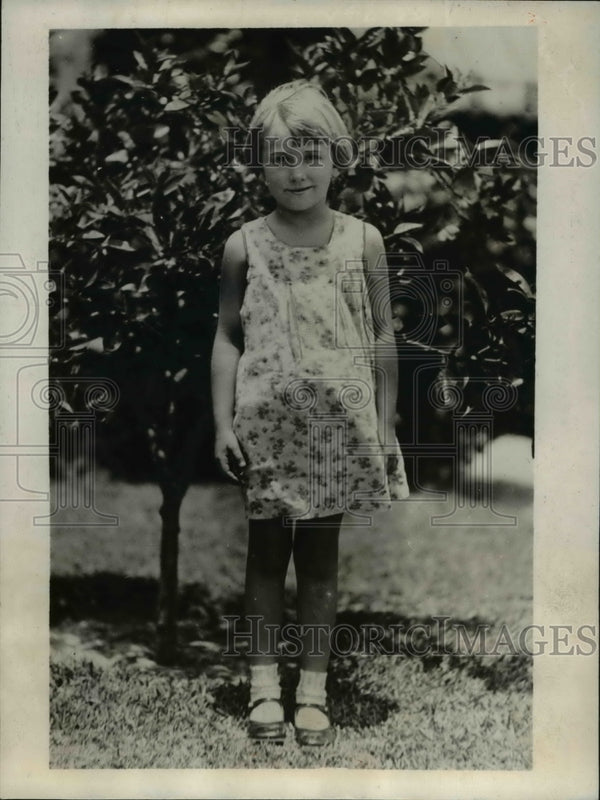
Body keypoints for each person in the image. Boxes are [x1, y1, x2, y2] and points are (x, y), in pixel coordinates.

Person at [211, 80, 409, 747]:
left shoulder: (364, 241)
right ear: (259, 165)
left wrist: (384, 424)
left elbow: (383, 336)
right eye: (280, 157)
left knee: (319, 557)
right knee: (266, 557)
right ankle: (264, 688)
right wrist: (221, 422)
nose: (297, 171)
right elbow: (227, 338)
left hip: (336, 430)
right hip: (266, 426)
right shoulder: (243, 245)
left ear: (337, 157)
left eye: (311, 153)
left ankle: (314, 694)